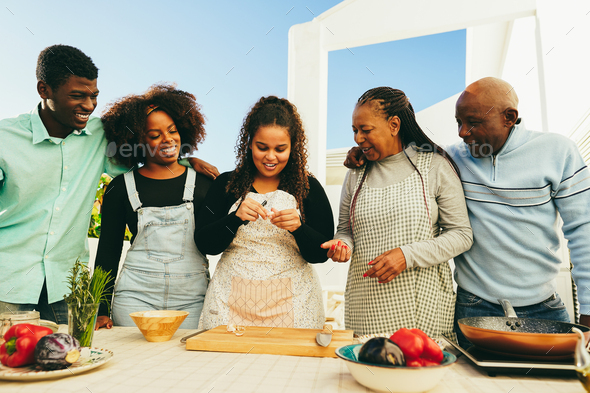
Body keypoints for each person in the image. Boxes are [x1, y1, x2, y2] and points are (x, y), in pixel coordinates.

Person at [345, 78, 590, 348]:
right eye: (458, 122)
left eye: (472, 123)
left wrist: (589, 312)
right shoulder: (453, 158)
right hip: (473, 309)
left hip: (543, 308)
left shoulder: (557, 152)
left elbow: (584, 232)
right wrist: (363, 149)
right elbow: (404, 156)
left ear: (509, 118)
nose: (462, 133)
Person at [0, 45, 218, 324]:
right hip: (7, 286)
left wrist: (189, 162)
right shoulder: (6, 139)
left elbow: (147, 161)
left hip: (66, 290)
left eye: (93, 96)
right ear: (44, 90)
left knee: (70, 363)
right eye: (77, 96)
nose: (89, 106)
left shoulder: (98, 136)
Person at [325, 87, 473, 338]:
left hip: (424, 306)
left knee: (421, 371)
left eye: (366, 130)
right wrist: (342, 245)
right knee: (369, 370)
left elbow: (461, 234)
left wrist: (407, 255)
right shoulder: (355, 173)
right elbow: (345, 231)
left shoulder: (434, 166)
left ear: (394, 125)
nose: (358, 138)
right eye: (355, 130)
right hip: (366, 306)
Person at [195, 96, 334, 329]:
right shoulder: (225, 184)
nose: (270, 157)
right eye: (262, 147)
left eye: (280, 149)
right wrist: (235, 218)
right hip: (231, 303)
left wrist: (299, 229)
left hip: (295, 303)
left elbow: (321, 253)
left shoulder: (308, 187)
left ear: (293, 147)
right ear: (249, 143)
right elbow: (205, 243)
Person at [94, 84, 212, 329]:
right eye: (155, 135)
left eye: (172, 130)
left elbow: (216, 241)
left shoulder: (203, 184)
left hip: (193, 301)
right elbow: (107, 253)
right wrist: (101, 309)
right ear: (138, 142)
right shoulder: (120, 188)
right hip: (134, 298)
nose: (168, 139)